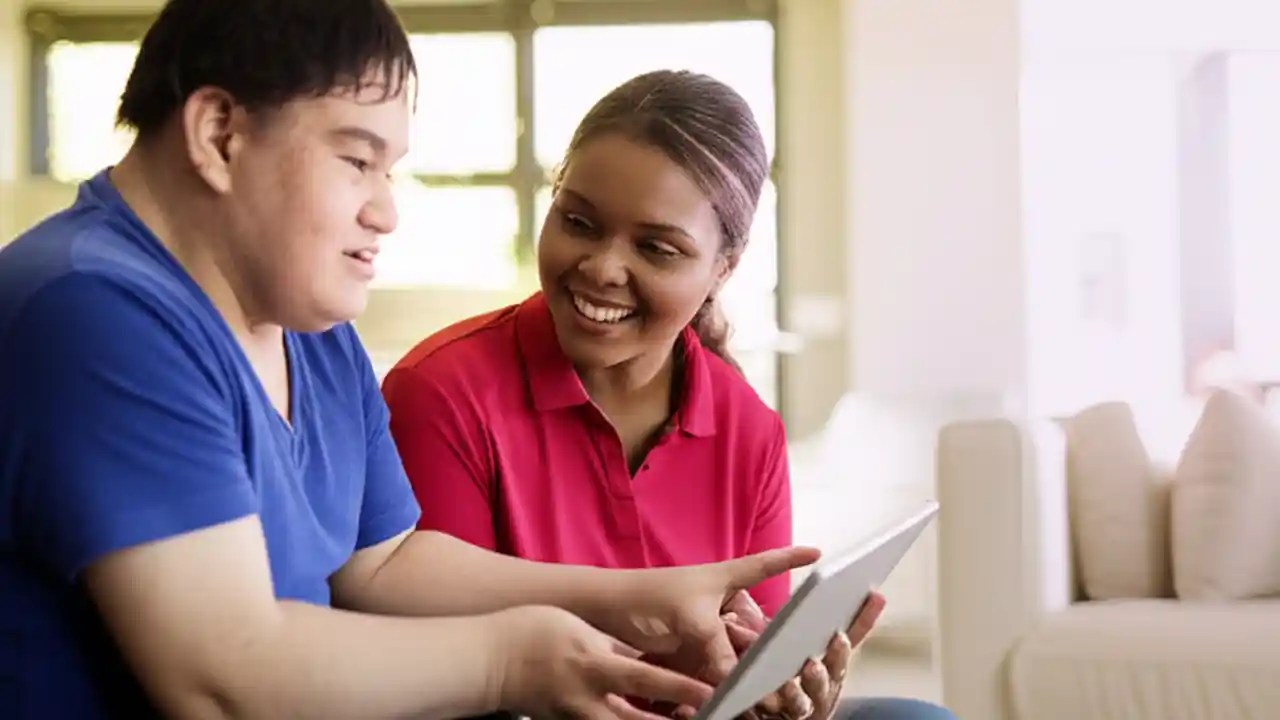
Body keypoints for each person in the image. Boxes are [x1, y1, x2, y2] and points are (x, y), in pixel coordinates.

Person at [0, 3, 818, 718]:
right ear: (219, 134)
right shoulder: (89, 308)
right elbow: (222, 682)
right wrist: (511, 661)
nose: (386, 209)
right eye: (357, 160)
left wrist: (642, 600)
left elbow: (384, 563)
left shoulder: (307, 326)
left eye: (389, 169)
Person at [382, 70, 957, 720]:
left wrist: (780, 697)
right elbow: (429, 655)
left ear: (724, 267)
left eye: (657, 248)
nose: (601, 267)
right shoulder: (442, 391)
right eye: (578, 221)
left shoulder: (747, 428)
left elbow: (744, 662)